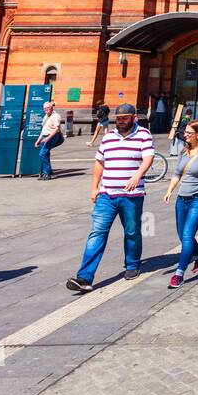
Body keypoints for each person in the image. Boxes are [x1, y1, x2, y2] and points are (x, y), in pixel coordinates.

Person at [67, 103, 154, 293]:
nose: (121, 122)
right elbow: (99, 163)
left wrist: (137, 175)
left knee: (131, 231)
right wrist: (94, 188)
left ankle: (132, 265)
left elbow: (148, 157)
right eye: (118, 119)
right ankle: (84, 277)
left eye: (125, 118)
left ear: (134, 118)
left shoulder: (143, 135)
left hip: (132, 195)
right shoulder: (108, 138)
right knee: (96, 233)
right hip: (106, 194)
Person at [161, 119, 198, 288]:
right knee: (182, 236)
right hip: (181, 199)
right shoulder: (183, 151)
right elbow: (177, 174)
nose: (185, 135)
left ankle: (179, 273)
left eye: (189, 133)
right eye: (185, 132)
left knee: (187, 236)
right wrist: (169, 191)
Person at [33, 100, 65, 180]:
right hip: (45, 137)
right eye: (44, 108)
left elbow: (57, 129)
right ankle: (47, 173)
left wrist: (48, 138)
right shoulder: (46, 116)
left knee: (42, 154)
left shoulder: (56, 116)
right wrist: (38, 140)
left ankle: (47, 173)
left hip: (53, 136)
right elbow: (43, 130)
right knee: (45, 154)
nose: (46, 110)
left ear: (51, 108)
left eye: (47, 108)